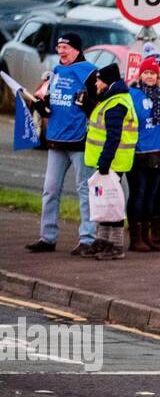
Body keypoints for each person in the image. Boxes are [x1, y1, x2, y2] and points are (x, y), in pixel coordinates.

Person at [26, 32, 98, 255]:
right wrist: (42, 105)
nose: (61, 51)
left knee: (85, 190)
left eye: (65, 47)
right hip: (56, 140)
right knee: (50, 190)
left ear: (76, 49)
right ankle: (47, 238)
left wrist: (88, 104)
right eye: (59, 47)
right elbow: (49, 97)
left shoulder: (89, 72)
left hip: (80, 141)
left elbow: (97, 104)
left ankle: (87, 239)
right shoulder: (55, 71)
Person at [82, 62, 138, 261]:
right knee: (103, 201)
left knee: (111, 203)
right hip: (109, 162)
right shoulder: (111, 99)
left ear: (107, 82)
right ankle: (102, 240)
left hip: (112, 162)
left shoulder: (116, 103)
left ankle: (116, 245)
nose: (96, 83)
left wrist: (104, 162)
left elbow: (114, 136)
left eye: (99, 80)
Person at [126, 57, 160, 252]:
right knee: (138, 194)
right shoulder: (132, 95)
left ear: (158, 76)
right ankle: (136, 238)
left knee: (152, 196)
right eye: (146, 73)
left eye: (153, 74)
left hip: (159, 154)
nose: (150, 77)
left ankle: (148, 235)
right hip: (139, 154)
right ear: (140, 75)